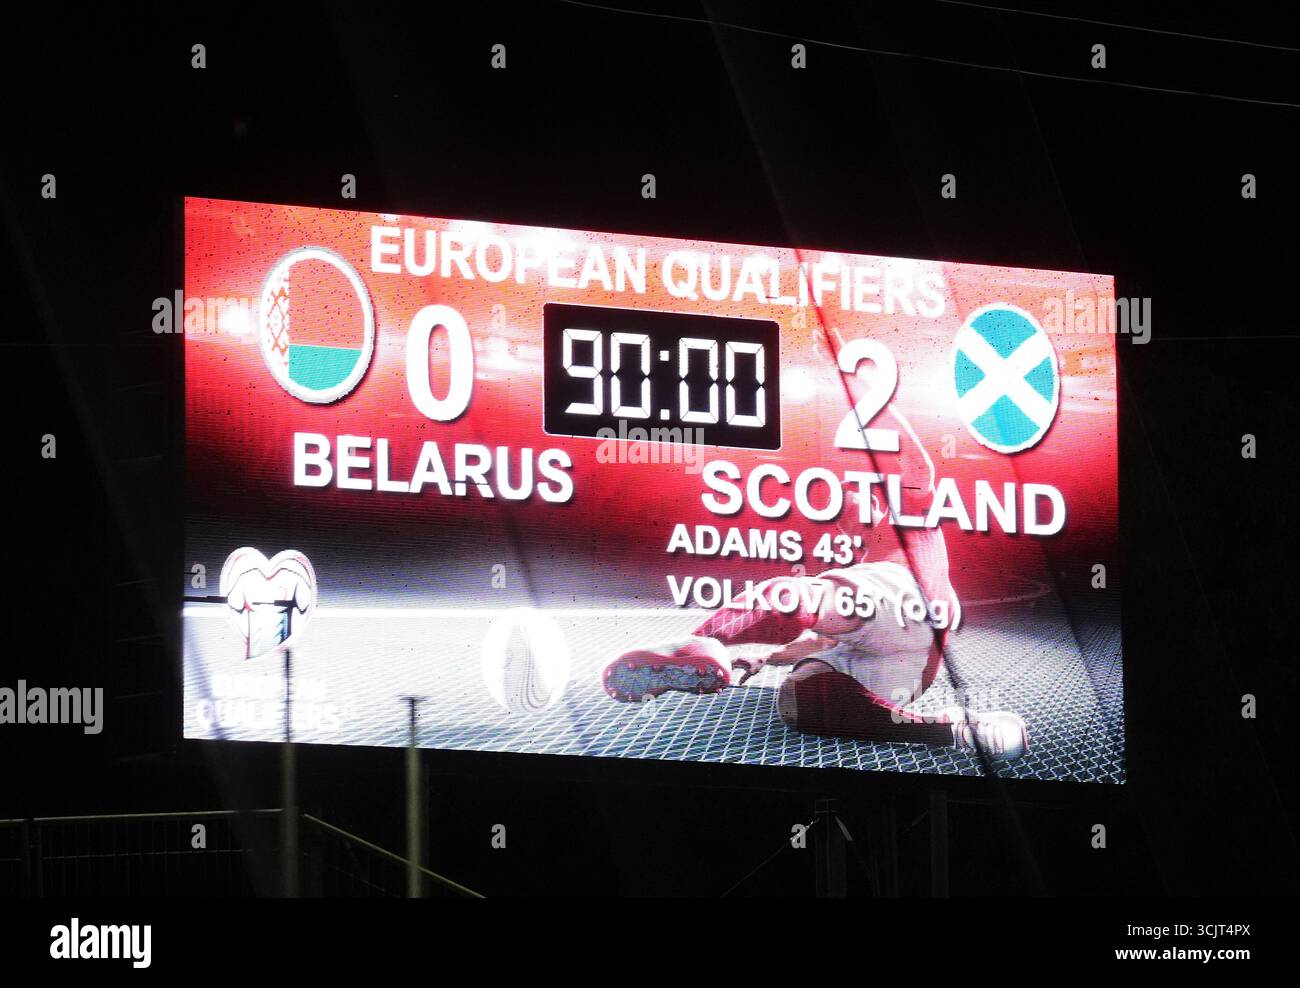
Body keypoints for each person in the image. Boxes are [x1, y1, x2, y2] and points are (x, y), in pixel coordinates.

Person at [600, 407, 1028, 761]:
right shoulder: (863, 565)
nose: (842, 509)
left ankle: (696, 641)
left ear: (876, 498)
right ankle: (953, 730)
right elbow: (821, 643)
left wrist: (872, 399)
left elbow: (919, 467)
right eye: (837, 510)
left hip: (914, 606)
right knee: (801, 700)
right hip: (902, 672)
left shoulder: (906, 524)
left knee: (795, 595)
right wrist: (764, 659)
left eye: (849, 496)